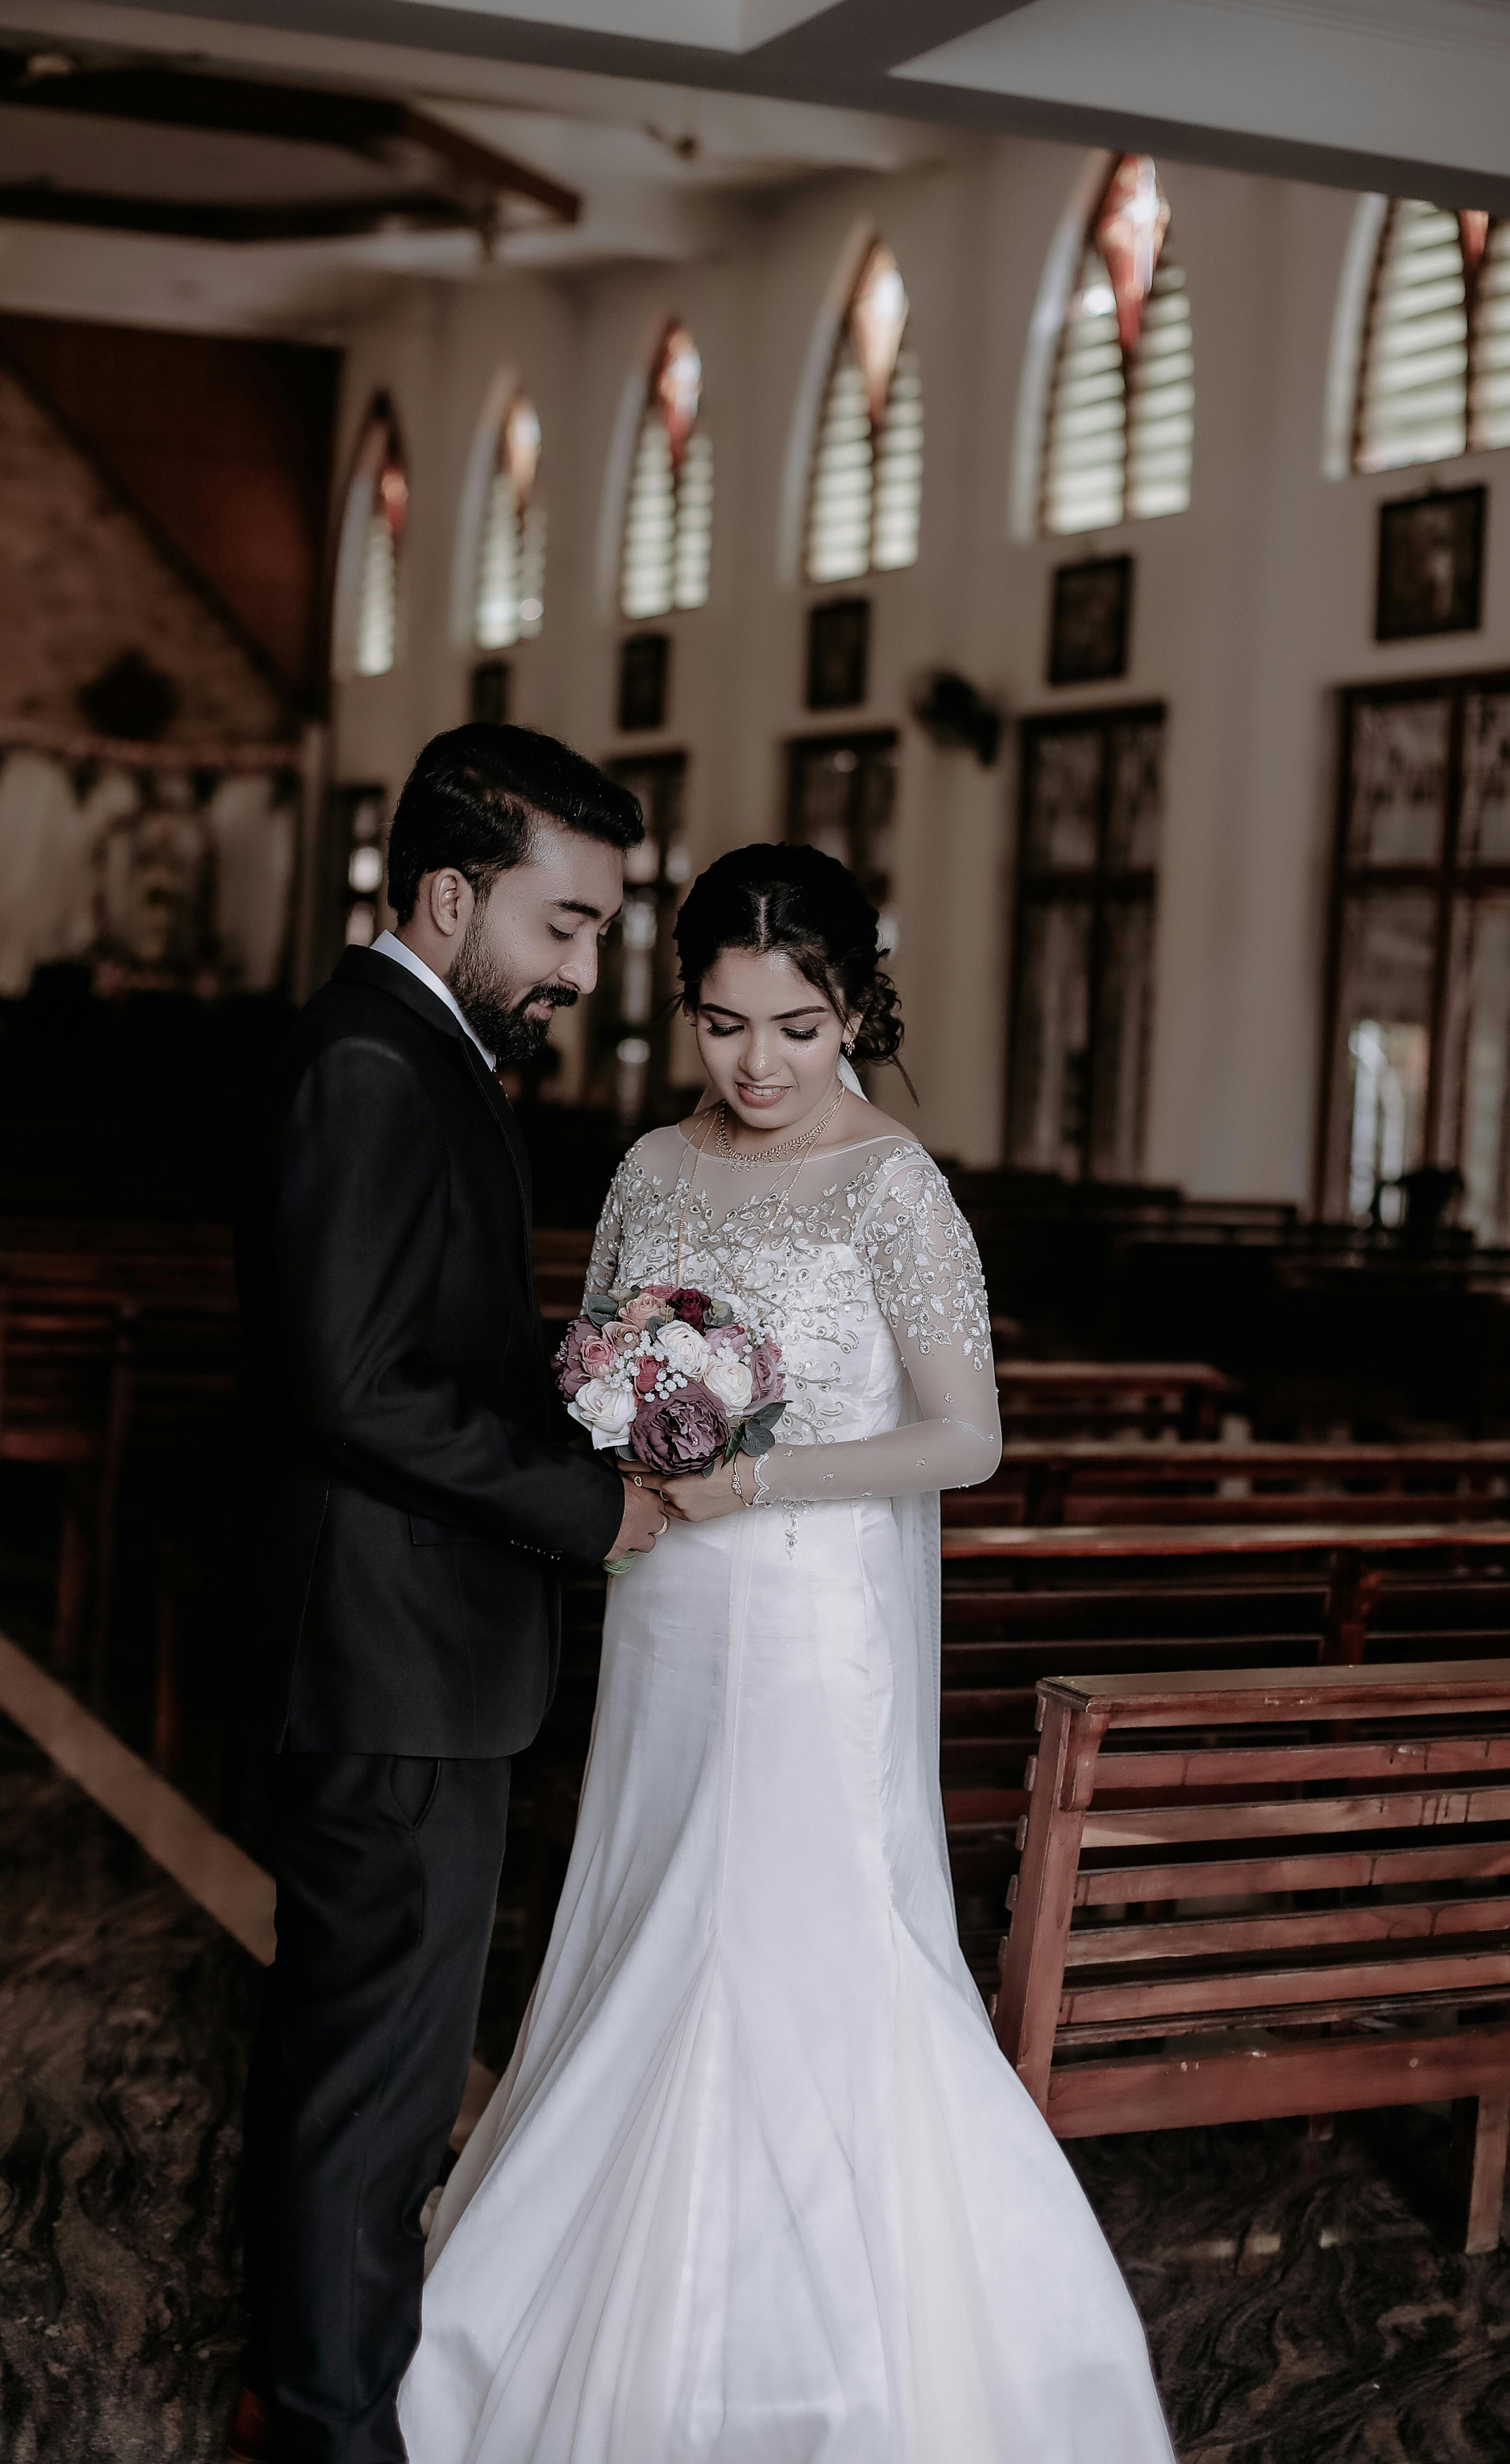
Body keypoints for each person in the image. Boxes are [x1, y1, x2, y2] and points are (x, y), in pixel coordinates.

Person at [399, 843, 1177, 2464]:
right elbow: (596, 1356)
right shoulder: (649, 1165)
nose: (757, 1065)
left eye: (799, 1028)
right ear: (687, 1010)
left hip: (816, 1619)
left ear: (855, 1011)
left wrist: (760, 1476)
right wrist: (621, 1417)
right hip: (673, 1605)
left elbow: (968, 1439)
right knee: (651, 1908)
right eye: (726, 1024)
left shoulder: (894, 1186)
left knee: (796, 1936)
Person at [230, 724, 671, 2464]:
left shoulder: (416, 1051)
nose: (580, 971)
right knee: (379, 2085)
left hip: (393, 1652)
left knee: (355, 2056)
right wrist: (591, 1504)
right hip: (388, 1662)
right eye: (562, 927)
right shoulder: (370, 1063)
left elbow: (407, 1343)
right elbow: (346, 1386)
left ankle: (306, 2378)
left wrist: (566, 1362)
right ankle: (333, 2426)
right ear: (446, 890)